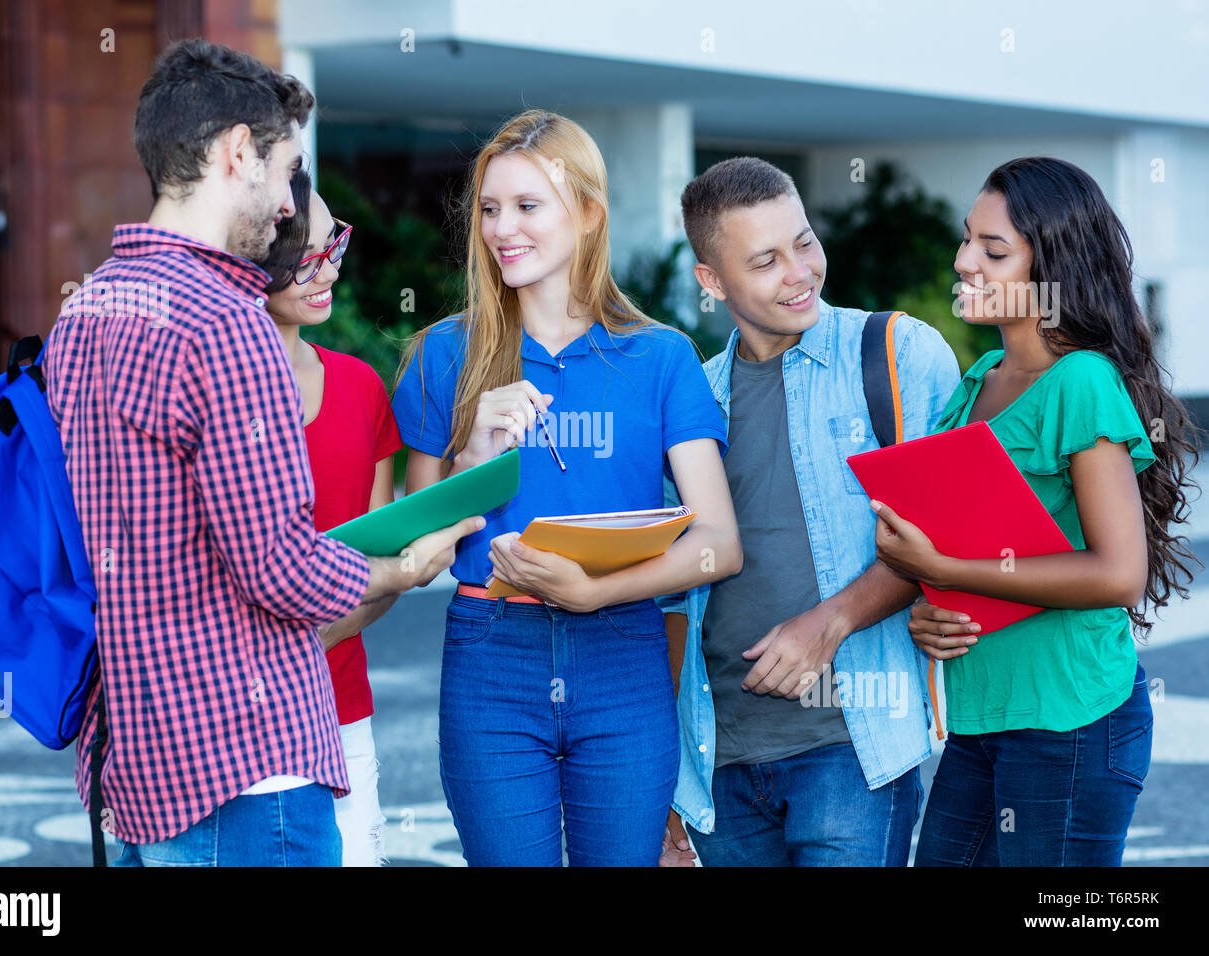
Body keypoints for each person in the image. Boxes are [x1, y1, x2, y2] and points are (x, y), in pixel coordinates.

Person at [43, 39, 478, 867]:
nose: (289, 205)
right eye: (286, 171)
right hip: (245, 768)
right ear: (239, 152)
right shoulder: (228, 322)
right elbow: (280, 569)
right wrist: (403, 567)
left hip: (133, 760)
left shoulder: (91, 306)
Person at [391, 109, 743, 867]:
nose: (501, 228)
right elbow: (408, 547)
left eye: (527, 206)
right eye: (489, 209)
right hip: (490, 653)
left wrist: (595, 593)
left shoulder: (661, 357)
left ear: (587, 213)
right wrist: (474, 457)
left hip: (622, 655)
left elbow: (719, 546)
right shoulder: (441, 355)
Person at [889, 157, 1201, 866]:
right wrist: (932, 603)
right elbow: (972, 553)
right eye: (967, 239)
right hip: (984, 719)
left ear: (1054, 268)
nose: (965, 261)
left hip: (1071, 722)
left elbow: (1119, 572)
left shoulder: (1081, 380)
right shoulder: (973, 388)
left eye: (994, 250)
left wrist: (946, 566)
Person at [657, 157, 961, 867]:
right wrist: (671, 774)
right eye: (765, 260)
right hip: (719, 763)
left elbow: (946, 537)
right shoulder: (694, 400)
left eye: (804, 242)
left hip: (850, 751)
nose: (799, 272)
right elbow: (672, 597)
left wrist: (830, 623)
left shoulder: (898, 354)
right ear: (712, 281)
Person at [256, 168, 403, 866]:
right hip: (227, 730)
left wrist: (279, 658)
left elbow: (380, 571)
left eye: (333, 246)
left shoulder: (361, 387)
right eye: (303, 258)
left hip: (339, 714)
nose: (327, 272)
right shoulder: (212, 396)